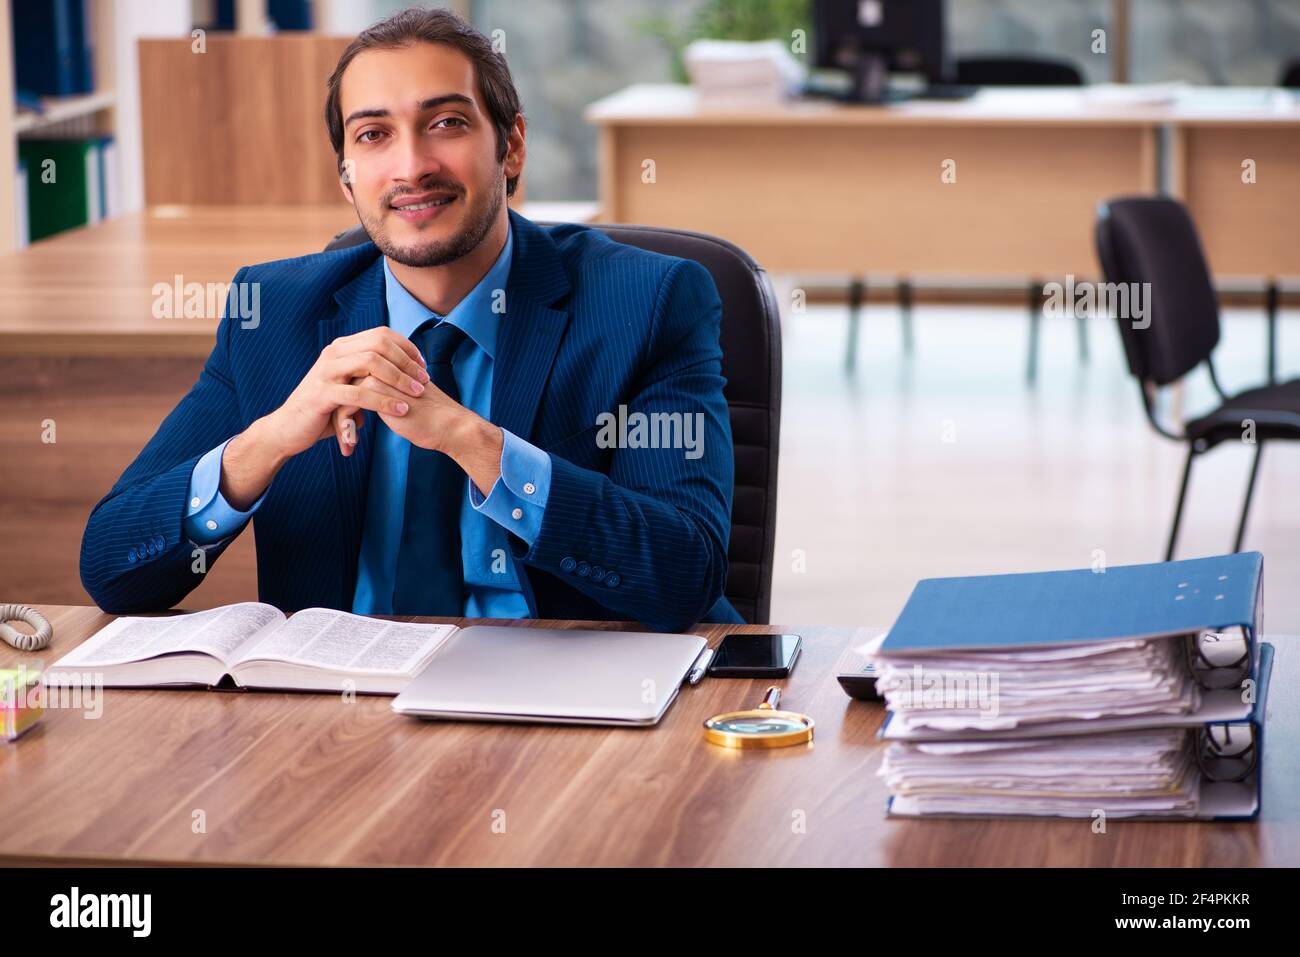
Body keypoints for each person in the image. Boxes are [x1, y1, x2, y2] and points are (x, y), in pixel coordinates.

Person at [79, 6, 739, 633]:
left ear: (511, 147)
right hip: (344, 713)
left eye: (447, 123)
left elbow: (684, 575)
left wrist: (463, 436)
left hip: (569, 711)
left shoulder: (649, 302)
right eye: (373, 135)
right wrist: (274, 437)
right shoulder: (274, 315)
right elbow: (112, 570)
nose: (412, 166)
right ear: (346, 177)